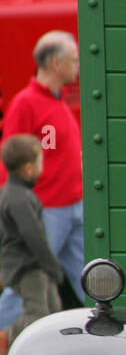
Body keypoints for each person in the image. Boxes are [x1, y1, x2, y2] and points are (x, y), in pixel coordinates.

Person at [0, 30, 83, 332]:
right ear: (55, 63)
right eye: (73, 60)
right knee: (27, 280)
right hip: (48, 210)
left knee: (91, 276)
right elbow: (8, 158)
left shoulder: (56, 101)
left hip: (74, 206)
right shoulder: (26, 104)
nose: (77, 67)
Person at [0, 135, 67, 340]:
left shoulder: (12, 193)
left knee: (53, 310)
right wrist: (52, 266)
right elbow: (33, 235)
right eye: (40, 161)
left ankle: (53, 344)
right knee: (37, 315)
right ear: (29, 168)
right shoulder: (19, 198)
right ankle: (13, 338)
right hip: (28, 267)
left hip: (32, 266)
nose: (42, 166)